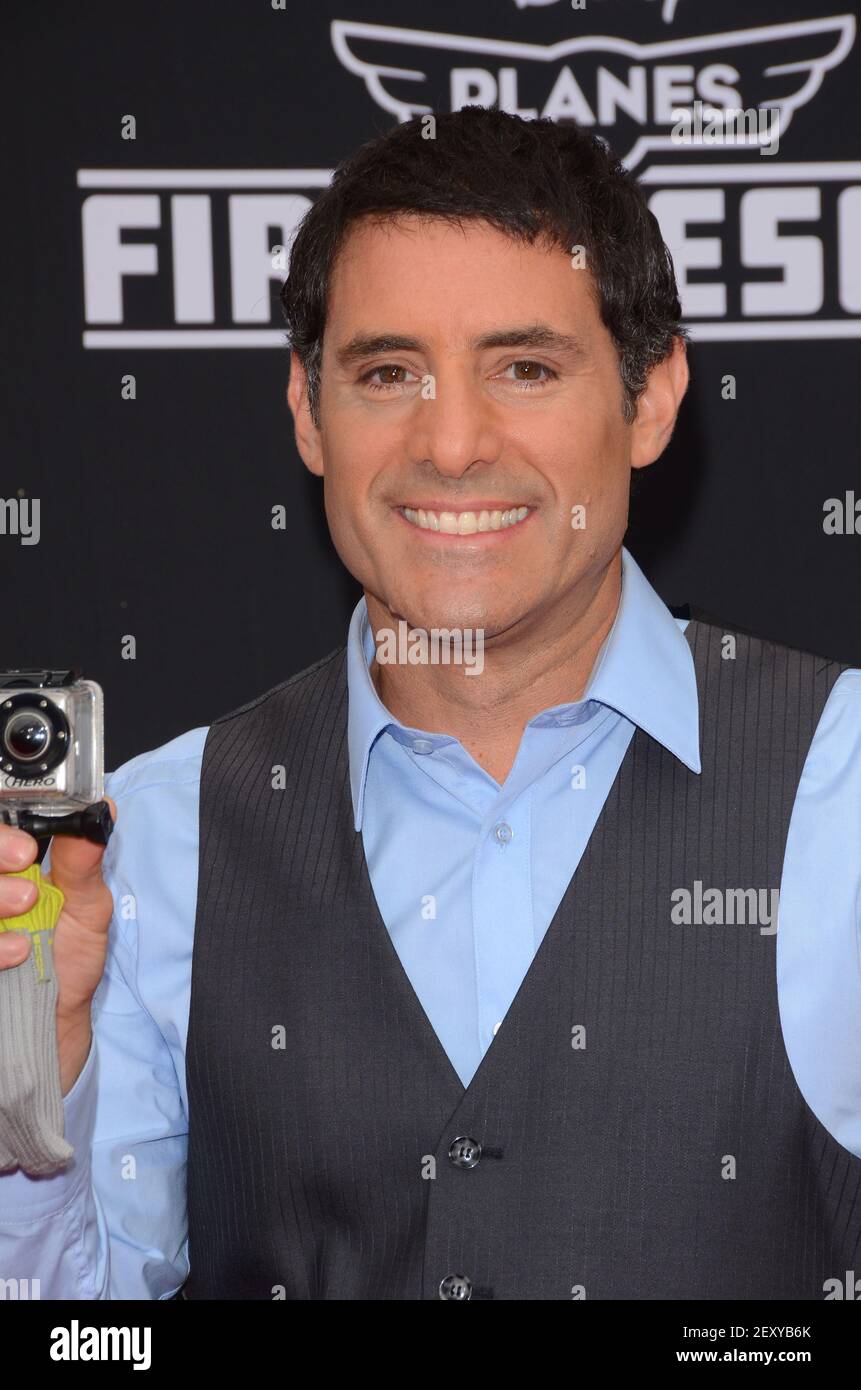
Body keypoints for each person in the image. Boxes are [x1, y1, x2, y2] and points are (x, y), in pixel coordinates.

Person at [1, 107, 860, 1301]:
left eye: (525, 367)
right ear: (307, 412)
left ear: (652, 397)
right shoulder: (155, 836)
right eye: (387, 372)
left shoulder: (845, 789)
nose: (451, 444)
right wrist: (25, 1093)